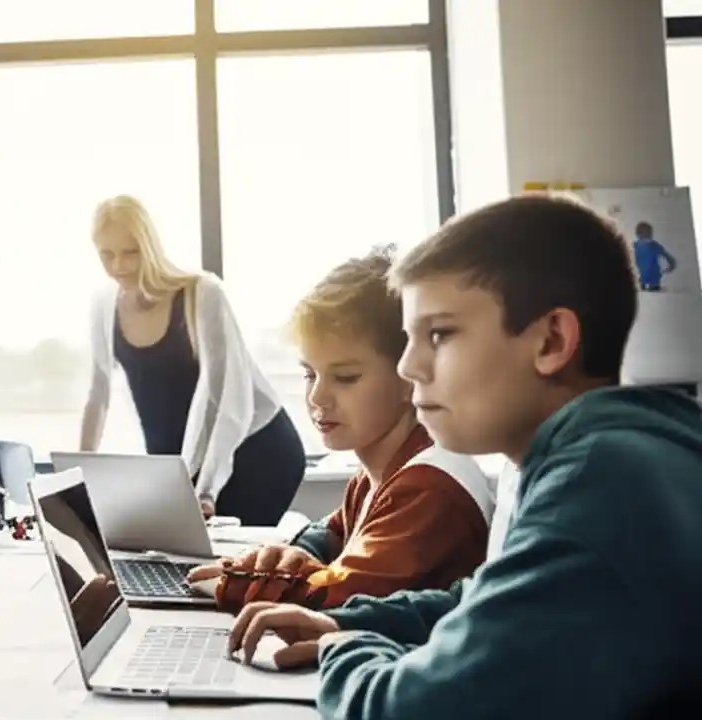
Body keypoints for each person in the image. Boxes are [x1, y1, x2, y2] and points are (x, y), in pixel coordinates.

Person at [228, 195, 702, 718]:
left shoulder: (597, 484)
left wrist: (343, 650)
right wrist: (348, 623)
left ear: (552, 340)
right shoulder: (586, 456)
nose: (409, 367)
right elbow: (478, 599)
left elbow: (411, 711)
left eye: (440, 334)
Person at [188, 246, 495, 611]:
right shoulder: (381, 469)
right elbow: (333, 535)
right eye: (309, 374)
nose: (318, 397)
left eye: (345, 378)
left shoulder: (427, 486)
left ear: (410, 374)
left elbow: (333, 595)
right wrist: (291, 554)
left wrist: (225, 582)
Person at [81, 195, 306, 526]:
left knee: (227, 567)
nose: (119, 265)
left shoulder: (202, 293)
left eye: (131, 252)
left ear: (151, 245)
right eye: (107, 254)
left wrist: (206, 489)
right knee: (179, 566)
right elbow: (98, 395)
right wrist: (79, 477)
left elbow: (223, 393)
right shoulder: (104, 306)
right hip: (182, 466)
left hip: (254, 451)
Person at [632, 220, 677, 291]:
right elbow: (667, 256)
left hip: (648, 277)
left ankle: (647, 285)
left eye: (648, 234)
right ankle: (649, 285)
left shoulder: (640, 246)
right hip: (651, 277)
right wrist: (671, 263)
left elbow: (667, 256)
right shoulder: (651, 245)